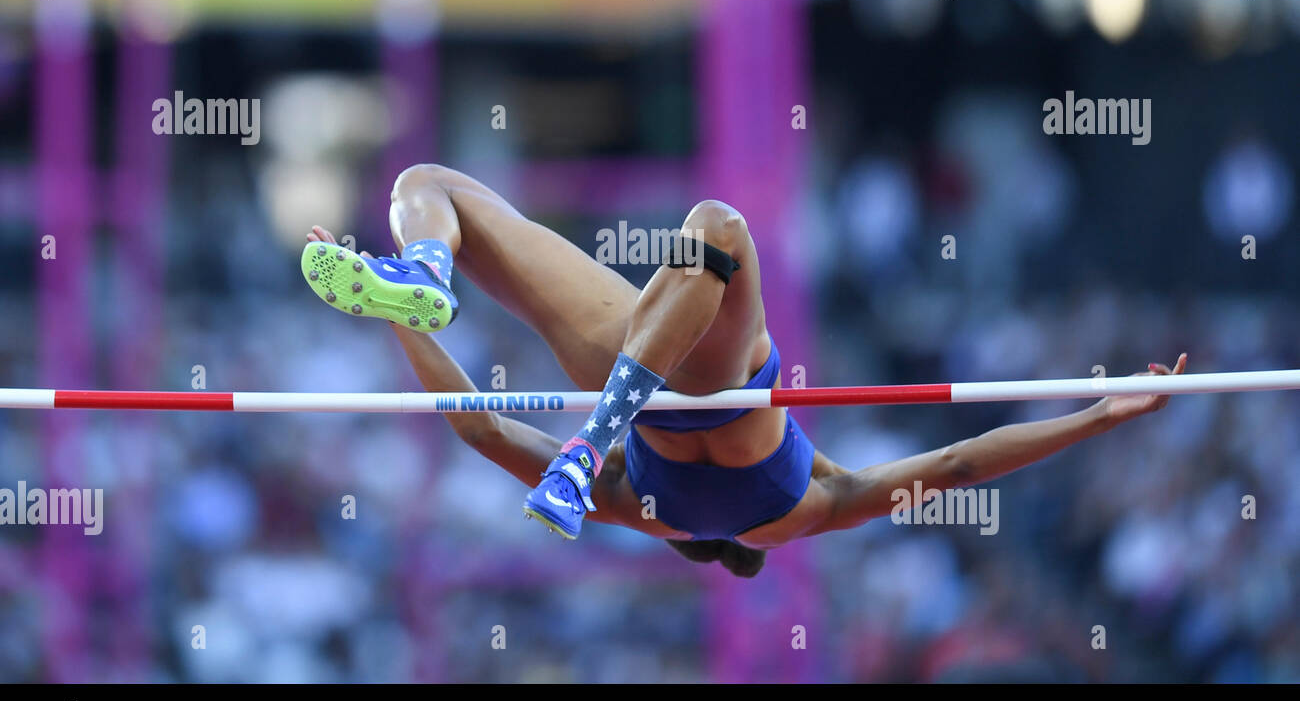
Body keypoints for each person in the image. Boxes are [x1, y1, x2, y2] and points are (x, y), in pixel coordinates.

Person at [302, 164, 1187, 578]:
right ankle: (415, 287)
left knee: (716, 224)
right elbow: (478, 426)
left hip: (688, 376)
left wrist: (1102, 413)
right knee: (705, 235)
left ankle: (426, 268)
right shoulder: (634, 508)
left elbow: (957, 466)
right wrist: (390, 327)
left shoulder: (808, 512)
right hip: (641, 371)